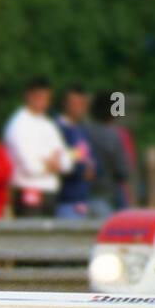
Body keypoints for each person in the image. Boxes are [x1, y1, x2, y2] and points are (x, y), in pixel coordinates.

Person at [3, 76, 71, 217]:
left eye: (46, 98)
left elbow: (66, 159)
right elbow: (30, 166)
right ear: (28, 96)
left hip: (50, 192)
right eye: (39, 97)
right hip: (28, 191)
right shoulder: (18, 125)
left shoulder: (48, 125)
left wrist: (53, 163)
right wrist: (52, 165)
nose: (43, 102)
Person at [82, 91, 132, 213]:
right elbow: (122, 170)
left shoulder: (83, 130)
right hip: (109, 193)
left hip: (84, 193)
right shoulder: (114, 135)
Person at [53, 84, 97, 218]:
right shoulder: (57, 128)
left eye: (82, 104)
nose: (80, 108)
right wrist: (82, 168)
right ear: (65, 104)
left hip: (83, 199)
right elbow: (62, 161)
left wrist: (93, 168)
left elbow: (92, 157)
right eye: (75, 103)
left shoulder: (83, 130)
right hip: (66, 200)